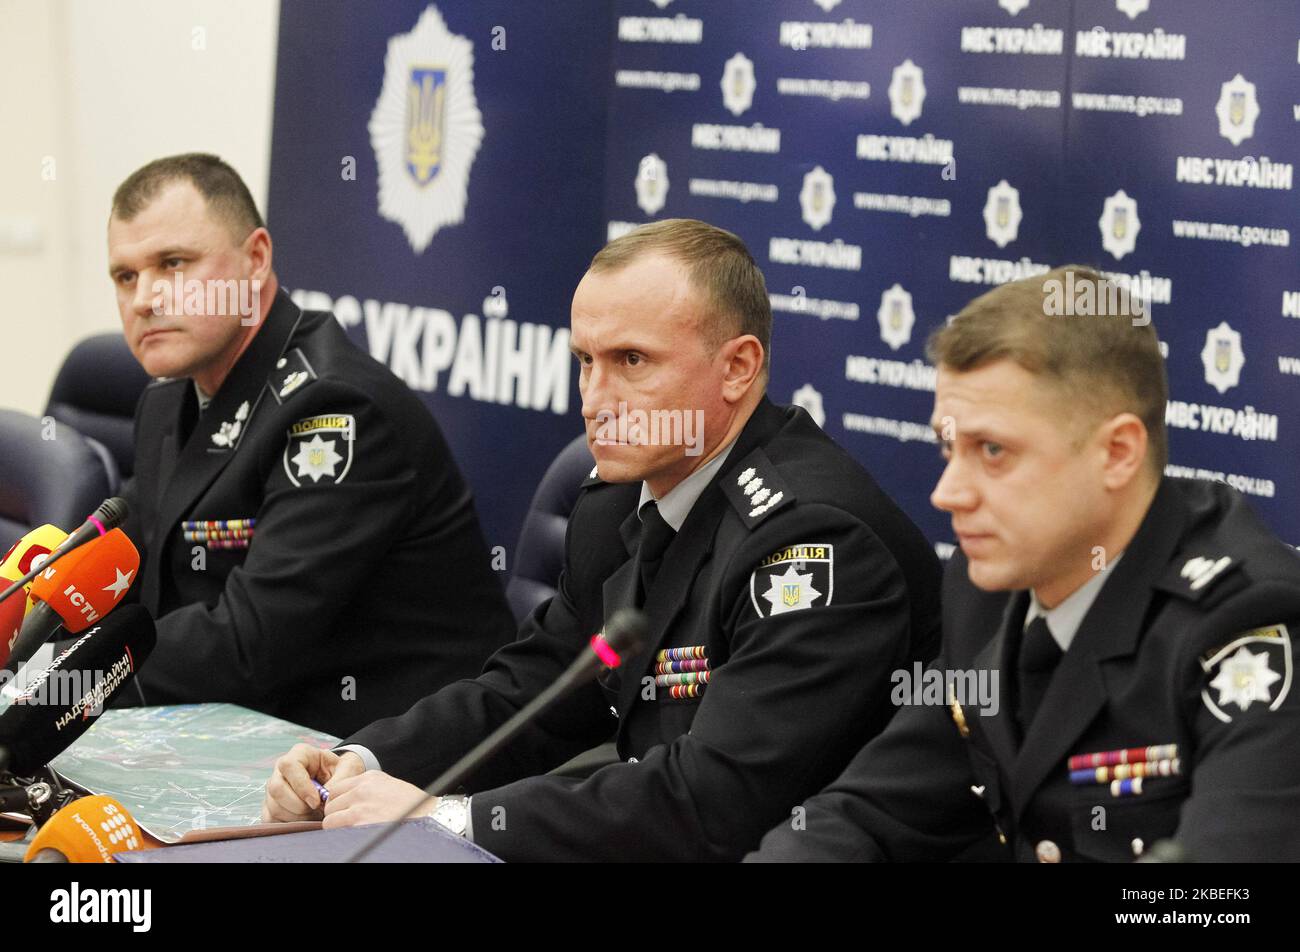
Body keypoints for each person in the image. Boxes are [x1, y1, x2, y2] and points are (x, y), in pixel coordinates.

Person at [261, 218, 943, 861]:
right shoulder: (614, 499)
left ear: (737, 368)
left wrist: (447, 820)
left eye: (632, 360)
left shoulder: (814, 543)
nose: (595, 396)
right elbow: (533, 690)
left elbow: (712, 801)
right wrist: (359, 763)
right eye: (585, 360)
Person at [749, 266, 1300, 863]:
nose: (948, 492)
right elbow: (872, 811)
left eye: (993, 451)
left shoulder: (1246, 625)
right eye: (947, 447)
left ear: (1116, 453)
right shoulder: (983, 587)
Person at [107, 153, 513, 736]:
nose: (145, 297)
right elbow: (124, 561)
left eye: (173, 264)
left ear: (256, 260)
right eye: (125, 276)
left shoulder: (335, 408)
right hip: (244, 732)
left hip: (386, 757)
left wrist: (65, 678)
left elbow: (247, 643)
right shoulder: (169, 399)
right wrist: (29, 624)